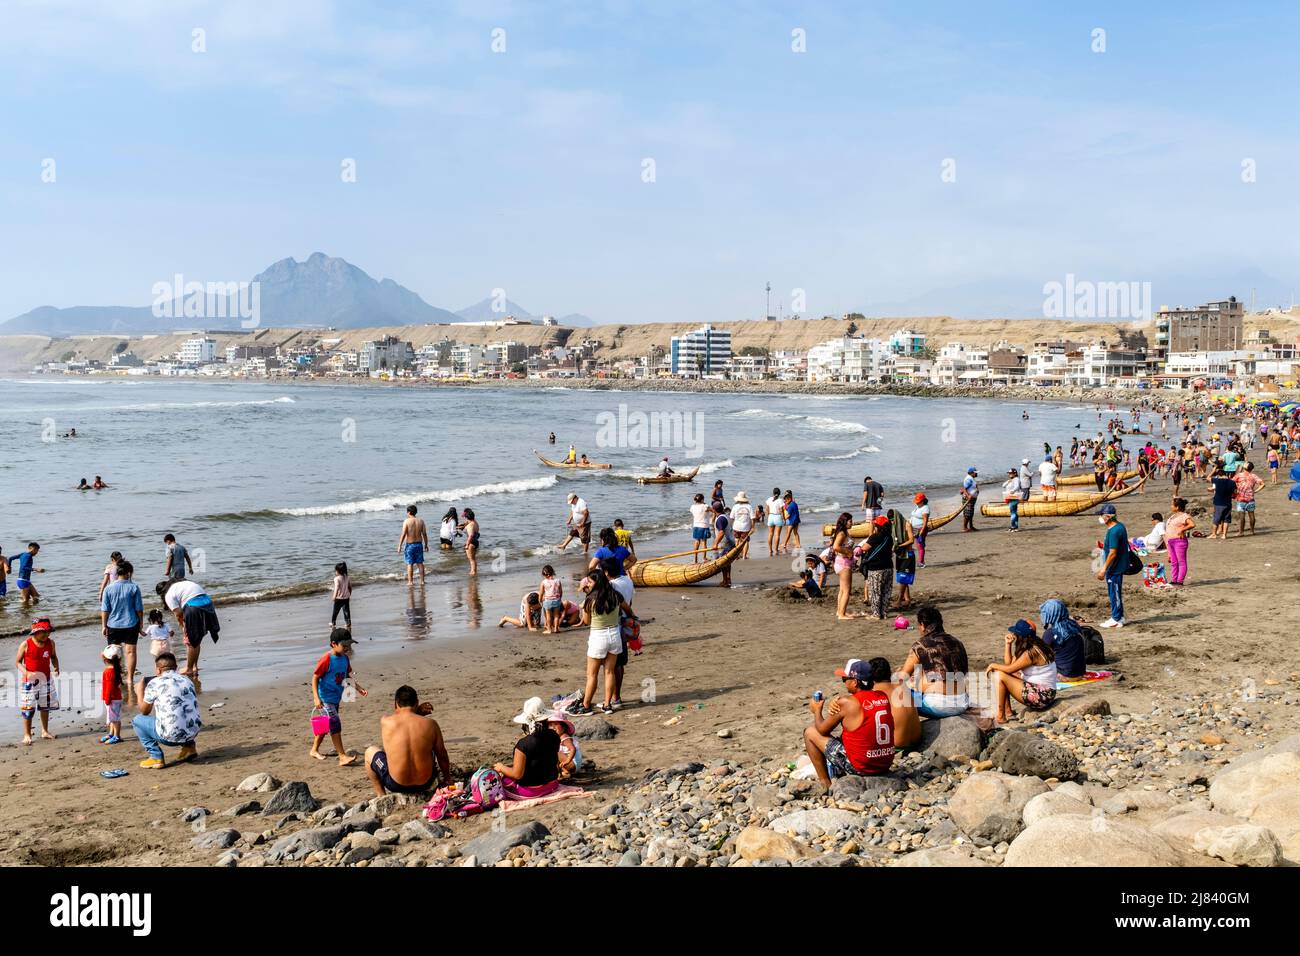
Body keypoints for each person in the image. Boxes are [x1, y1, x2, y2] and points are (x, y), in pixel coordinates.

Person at [803, 659, 895, 791]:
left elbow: (822, 729)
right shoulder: (882, 696)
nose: (844, 682)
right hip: (885, 762)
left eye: (845, 679)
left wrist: (817, 710)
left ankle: (825, 783)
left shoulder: (847, 702)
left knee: (810, 732)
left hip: (862, 766)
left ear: (855, 682)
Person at [365, 685, 452, 796]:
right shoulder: (431, 724)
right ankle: (444, 779)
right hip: (426, 782)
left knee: (370, 752)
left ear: (396, 703)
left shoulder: (386, 721)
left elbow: (402, 721)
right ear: (416, 702)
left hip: (395, 784)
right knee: (431, 746)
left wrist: (416, 712)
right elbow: (442, 755)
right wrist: (448, 779)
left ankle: (381, 795)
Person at [574, 569, 631, 715]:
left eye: (590, 582)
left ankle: (586, 706)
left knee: (592, 675)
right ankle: (607, 705)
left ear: (596, 582)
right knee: (609, 671)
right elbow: (627, 608)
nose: (588, 584)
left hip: (598, 637)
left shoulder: (590, 599)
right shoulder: (615, 595)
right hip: (614, 635)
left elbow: (587, 622)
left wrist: (584, 605)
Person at [898, 604, 970, 718]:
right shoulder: (958, 642)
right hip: (962, 702)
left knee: (896, 693)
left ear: (922, 625)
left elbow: (902, 677)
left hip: (938, 705)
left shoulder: (920, 645)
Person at [132, 652, 200, 769]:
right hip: (193, 732)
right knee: (184, 711)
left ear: (158, 670)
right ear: (176, 667)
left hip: (169, 737)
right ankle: (189, 747)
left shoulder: (155, 683)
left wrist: (139, 692)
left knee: (137, 720)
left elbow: (144, 711)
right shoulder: (187, 680)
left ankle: (156, 756)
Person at [311, 629, 367, 765]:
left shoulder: (345, 659)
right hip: (325, 698)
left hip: (336, 697)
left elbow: (347, 676)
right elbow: (315, 678)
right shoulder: (327, 659)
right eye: (345, 645)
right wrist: (316, 698)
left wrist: (358, 688)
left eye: (349, 645)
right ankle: (342, 756)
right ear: (333, 644)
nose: (347, 648)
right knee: (335, 723)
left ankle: (314, 750)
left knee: (325, 726)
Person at [986, 619, 1058, 723]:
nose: (1013, 634)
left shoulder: (1031, 653)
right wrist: (1008, 645)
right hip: (1046, 691)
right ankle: (1008, 712)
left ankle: (1001, 716)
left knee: (999, 676)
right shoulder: (1032, 645)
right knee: (1001, 674)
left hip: (1043, 695)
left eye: (1015, 633)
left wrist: (993, 665)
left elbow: (1009, 669)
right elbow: (1009, 665)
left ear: (1020, 636)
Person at [495, 697, 561, 798]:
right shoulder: (554, 736)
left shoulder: (523, 744)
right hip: (552, 785)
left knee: (502, 780)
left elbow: (517, 774)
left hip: (531, 791)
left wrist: (501, 767)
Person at [156, 577, 220, 678]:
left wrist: (183, 627)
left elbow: (179, 614)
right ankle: (194, 666)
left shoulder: (168, 595)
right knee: (196, 640)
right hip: (207, 603)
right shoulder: (184, 583)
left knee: (190, 642)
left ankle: (189, 668)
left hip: (194, 606)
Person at [101, 559, 144, 699]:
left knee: (114, 653)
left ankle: (116, 677)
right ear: (129, 573)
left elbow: (105, 609)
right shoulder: (134, 587)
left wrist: (103, 625)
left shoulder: (109, 588)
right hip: (131, 623)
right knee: (130, 652)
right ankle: (130, 678)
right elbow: (139, 609)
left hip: (113, 625)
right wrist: (141, 624)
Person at [16, 618, 59, 746]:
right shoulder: (26, 644)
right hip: (30, 682)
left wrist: (56, 666)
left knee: (45, 706)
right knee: (28, 708)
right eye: (44, 632)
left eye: (48, 631)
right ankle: (27, 734)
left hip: (46, 679)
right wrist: (27, 673)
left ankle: (45, 731)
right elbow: (17, 663)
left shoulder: (51, 643)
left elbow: (53, 657)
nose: (47, 634)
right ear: (35, 632)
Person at [604, 556, 636, 709]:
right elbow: (629, 603)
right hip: (625, 623)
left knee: (611, 665)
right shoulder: (627, 580)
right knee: (620, 663)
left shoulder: (611, 586)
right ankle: (617, 696)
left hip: (614, 624)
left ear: (606, 572)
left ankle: (612, 699)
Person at [868, 657, 920, 748]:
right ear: (889, 673)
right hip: (917, 741)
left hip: (897, 747)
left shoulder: (875, 692)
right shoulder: (903, 687)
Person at [1095, 503, 1129, 628]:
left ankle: (1116, 619)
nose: (1100, 517)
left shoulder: (1114, 531)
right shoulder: (1119, 527)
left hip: (1114, 567)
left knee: (1114, 593)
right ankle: (1119, 616)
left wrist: (1103, 570)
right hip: (1116, 565)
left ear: (1108, 517)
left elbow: (1113, 553)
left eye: (1102, 515)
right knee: (1115, 592)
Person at [1038, 599, 1087, 679]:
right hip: (1080, 673)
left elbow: (1041, 655)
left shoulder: (1050, 633)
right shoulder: (1075, 626)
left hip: (1064, 676)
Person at [859, 515, 894, 620]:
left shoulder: (875, 537)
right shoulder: (889, 537)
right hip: (888, 566)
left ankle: (876, 614)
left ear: (877, 526)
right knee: (886, 591)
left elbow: (864, 548)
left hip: (876, 568)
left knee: (875, 591)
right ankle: (884, 612)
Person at [829, 513, 860, 622]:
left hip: (841, 563)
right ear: (845, 522)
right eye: (850, 521)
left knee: (842, 590)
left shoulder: (842, 532)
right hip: (844, 563)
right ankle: (842, 614)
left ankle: (840, 611)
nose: (852, 523)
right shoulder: (842, 533)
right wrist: (848, 552)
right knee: (847, 590)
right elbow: (836, 547)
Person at [1165, 497, 1195, 586]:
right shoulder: (1172, 516)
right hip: (1171, 541)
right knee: (1174, 562)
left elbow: (1192, 524)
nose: (1171, 506)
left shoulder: (1184, 516)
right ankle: (1174, 580)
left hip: (1179, 541)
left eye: (1172, 505)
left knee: (1181, 562)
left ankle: (1180, 581)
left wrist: (1182, 530)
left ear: (1177, 507)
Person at [398, 505, 428, 583]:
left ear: (409, 512)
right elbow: (424, 534)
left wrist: (399, 545)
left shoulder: (407, 521)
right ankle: (422, 581)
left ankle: (410, 582)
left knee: (410, 563)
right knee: (420, 563)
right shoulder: (421, 521)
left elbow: (403, 534)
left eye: (407, 512)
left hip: (410, 545)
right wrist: (426, 545)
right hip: (419, 544)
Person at [1233, 461, 1264, 536]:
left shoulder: (1239, 475)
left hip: (1241, 498)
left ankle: (1241, 532)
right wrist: (1255, 491)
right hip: (1250, 497)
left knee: (1242, 516)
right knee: (1251, 515)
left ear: (1245, 467)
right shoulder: (1253, 476)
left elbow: (1231, 482)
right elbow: (1263, 484)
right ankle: (1252, 531)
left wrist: (1235, 490)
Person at [100, 644, 124, 744]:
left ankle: (117, 736)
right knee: (112, 717)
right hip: (115, 697)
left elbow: (109, 687)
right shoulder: (116, 669)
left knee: (115, 718)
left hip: (112, 698)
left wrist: (107, 698)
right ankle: (111, 733)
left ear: (105, 659)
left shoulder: (108, 672)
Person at [1207, 464, 1235, 540]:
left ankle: (1214, 534)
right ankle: (1224, 535)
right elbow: (1235, 492)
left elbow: (1208, 477)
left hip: (1218, 503)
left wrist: (1213, 470)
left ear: (1218, 475)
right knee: (1226, 520)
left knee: (1216, 519)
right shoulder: (1232, 482)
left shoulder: (1217, 480)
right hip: (1228, 502)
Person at [11, 542, 44, 607]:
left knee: (36, 597)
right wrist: (36, 569)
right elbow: (24, 567)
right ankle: (23, 615)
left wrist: (9, 566)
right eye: (37, 550)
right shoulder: (28, 556)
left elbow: (11, 558)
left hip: (26, 581)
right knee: (25, 600)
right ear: (33, 549)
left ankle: (32, 611)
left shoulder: (23, 554)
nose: (37, 553)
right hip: (23, 581)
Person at [551, 711, 582, 779]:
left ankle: (562, 772)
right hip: (572, 764)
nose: (553, 727)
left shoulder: (564, 737)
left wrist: (567, 761)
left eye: (556, 724)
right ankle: (565, 771)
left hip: (572, 764)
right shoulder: (559, 737)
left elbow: (572, 749)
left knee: (554, 752)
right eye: (551, 725)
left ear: (564, 727)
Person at [538, 564, 564, 633]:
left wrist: (540, 600)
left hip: (547, 601)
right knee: (556, 615)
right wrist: (559, 598)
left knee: (548, 615)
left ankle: (549, 629)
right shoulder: (558, 581)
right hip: (557, 600)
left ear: (544, 574)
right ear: (553, 572)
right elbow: (561, 591)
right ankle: (556, 628)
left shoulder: (543, 582)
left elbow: (541, 593)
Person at [909, 493, 930, 568]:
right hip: (913, 528)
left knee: (920, 545)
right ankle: (920, 561)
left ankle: (921, 562)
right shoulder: (917, 507)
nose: (917, 502)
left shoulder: (925, 508)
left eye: (918, 501)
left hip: (920, 528)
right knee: (916, 545)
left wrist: (922, 531)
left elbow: (925, 521)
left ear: (923, 501)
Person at [689, 493, 712, 562]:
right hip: (704, 526)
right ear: (702, 499)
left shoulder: (692, 507)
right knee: (704, 542)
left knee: (696, 541)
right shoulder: (705, 506)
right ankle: (704, 558)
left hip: (696, 526)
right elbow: (713, 510)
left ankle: (695, 558)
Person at [731, 491, 754, 558]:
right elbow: (753, 518)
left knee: (737, 540)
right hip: (746, 527)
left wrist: (731, 526)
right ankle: (744, 556)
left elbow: (731, 517)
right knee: (746, 541)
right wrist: (753, 527)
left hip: (736, 526)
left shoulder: (735, 506)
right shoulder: (749, 506)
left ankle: (737, 555)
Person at [764, 487, 784, 556]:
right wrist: (783, 518)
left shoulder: (769, 499)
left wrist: (768, 516)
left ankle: (770, 550)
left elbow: (766, 509)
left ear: (773, 493)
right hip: (777, 516)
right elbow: (781, 510)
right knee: (777, 535)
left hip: (771, 516)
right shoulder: (780, 500)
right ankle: (776, 549)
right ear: (779, 494)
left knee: (770, 534)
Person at [331, 561, 352, 628]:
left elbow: (336, 588)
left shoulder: (336, 578)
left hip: (338, 598)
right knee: (346, 612)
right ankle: (348, 623)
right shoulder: (347, 577)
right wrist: (349, 594)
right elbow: (350, 587)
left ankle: (333, 623)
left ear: (338, 571)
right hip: (346, 598)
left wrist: (334, 596)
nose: (335, 572)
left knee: (335, 612)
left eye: (336, 571)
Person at [781, 490, 801, 554]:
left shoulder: (790, 506)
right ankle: (798, 544)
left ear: (789, 499)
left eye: (786, 501)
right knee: (795, 533)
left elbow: (789, 515)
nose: (785, 502)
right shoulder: (794, 504)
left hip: (792, 521)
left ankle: (784, 544)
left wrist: (784, 518)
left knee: (788, 533)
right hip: (797, 520)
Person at [462, 508, 479, 575]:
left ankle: (473, 572)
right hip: (476, 541)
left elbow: (470, 535)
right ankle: (474, 571)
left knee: (471, 559)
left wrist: (467, 544)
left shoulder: (470, 525)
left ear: (467, 517)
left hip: (471, 543)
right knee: (473, 558)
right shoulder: (475, 523)